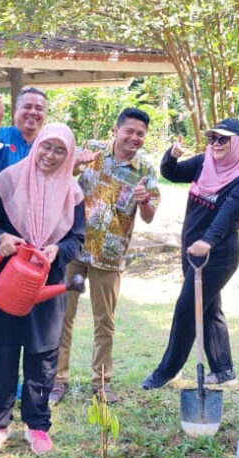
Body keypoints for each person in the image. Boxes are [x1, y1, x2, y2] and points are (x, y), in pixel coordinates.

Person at [0, 123, 85, 456]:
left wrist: (57, 251)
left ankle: (37, 425)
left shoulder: (73, 193)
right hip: (10, 280)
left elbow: (77, 239)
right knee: (5, 355)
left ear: (69, 156)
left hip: (47, 281)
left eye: (60, 150)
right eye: (46, 146)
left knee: (44, 358)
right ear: (36, 145)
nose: (50, 155)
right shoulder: (8, 180)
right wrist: (1, 237)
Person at [51, 107, 160, 405]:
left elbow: (149, 216)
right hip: (74, 246)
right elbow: (61, 174)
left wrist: (144, 201)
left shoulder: (145, 169)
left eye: (140, 134)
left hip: (110, 256)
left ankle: (102, 382)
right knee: (62, 315)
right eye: (129, 131)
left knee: (104, 321)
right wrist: (75, 162)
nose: (134, 138)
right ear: (116, 130)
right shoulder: (92, 150)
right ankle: (57, 379)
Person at [141, 118, 239, 389]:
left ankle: (166, 371)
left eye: (223, 139)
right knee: (209, 308)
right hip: (192, 252)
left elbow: (228, 213)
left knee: (187, 310)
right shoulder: (205, 162)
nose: (215, 144)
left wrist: (207, 241)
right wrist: (171, 155)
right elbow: (172, 173)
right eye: (212, 138)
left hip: (217, 256)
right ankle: (224, 369)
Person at [0, 87, 49, 205]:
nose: (33, 112)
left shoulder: (46, 145)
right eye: (27, 106)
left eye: (39, 108)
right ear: (16, 112)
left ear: (45, 115)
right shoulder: (1, 134)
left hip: (24, 214)